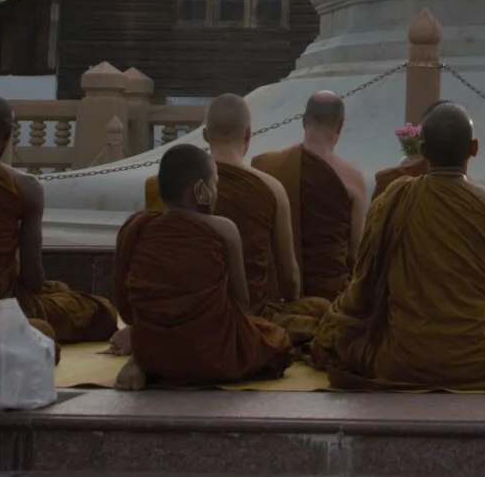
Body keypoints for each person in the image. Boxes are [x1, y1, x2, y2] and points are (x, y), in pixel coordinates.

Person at [309, 102, 485, 388]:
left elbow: (364, 279)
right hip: (482, 359)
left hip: (401, 358)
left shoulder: (394, 198)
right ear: (474, 148)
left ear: (422, 151)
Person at [142, 94, 331, 341]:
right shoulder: (271, 188)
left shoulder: (164, 186)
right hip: (249, 315)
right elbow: (289, 280)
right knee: (323, 311)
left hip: (179, 314)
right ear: (248, 134)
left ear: (206, 135)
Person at [111, 143, 293, 387]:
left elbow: (126, 305)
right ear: (200, 190)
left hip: (154, 353)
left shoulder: (140, 229)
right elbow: (241, 300)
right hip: (212, 353)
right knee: (277, 341)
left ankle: (143, 362)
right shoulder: (224, 229)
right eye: (215, 183)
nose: (216, 191)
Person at [0, 97, 119, 342]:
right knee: (100, 310)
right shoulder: (26, 186)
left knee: (59, 290)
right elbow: (32, 276)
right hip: (1, 306)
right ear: (9, 135)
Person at [255, 90, 367, 300]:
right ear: (340, 126)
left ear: (304, 120)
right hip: (332, 299)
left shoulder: (268, 168)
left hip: (280, 297)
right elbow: (355, 253)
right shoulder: (353, 178)